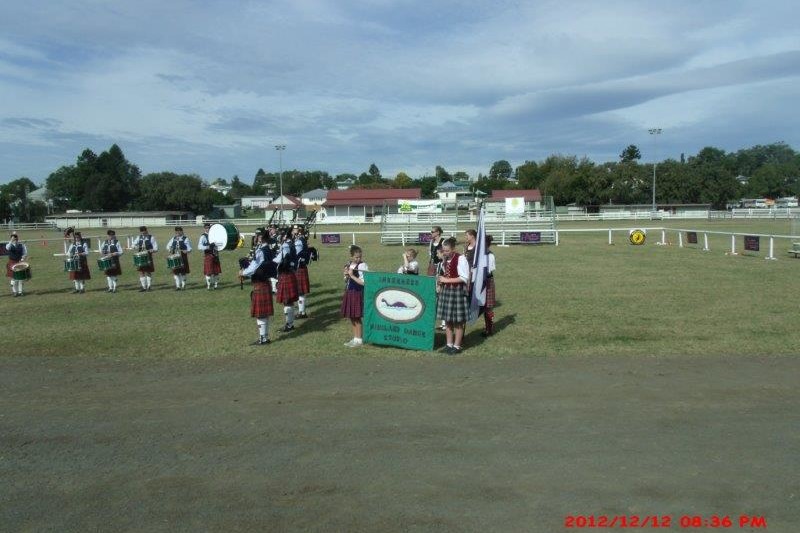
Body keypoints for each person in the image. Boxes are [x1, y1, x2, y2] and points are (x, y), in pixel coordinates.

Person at [240, 231, 276, 345]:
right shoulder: (268, 250)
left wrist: (243, 272)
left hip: (260, 283)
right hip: (265, 282)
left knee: (260, 314)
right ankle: (264, 337)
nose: (255, 238)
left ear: (261, 238)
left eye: (257, 236)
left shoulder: (261, 251)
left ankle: (263, 338)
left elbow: (254, 267)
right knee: (263, 313)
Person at [436, 237, 470, 354]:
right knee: (448, 319)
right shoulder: (445, 260)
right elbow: (445, 275)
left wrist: (446, 280)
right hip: (447, 291)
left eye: (447, 251)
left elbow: (464, 278)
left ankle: (457, 346)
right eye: (444, 251)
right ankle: (449, 344)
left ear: (453, 249)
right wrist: (441, 283)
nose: (445, 253)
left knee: (458, 321)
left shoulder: (461, 259)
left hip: (457, 292)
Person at [341, 245, 368, 348]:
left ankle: (359, 339)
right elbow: (346, 280)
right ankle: (355, 338)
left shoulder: (362, 266)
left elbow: (364, 283)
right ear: (351, 256)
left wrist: (352, 276)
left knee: (357, 317)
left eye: (360, 257)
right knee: (352, 316)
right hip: (350, 292)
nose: (358, 259)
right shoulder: (349, 264)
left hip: (357, 292)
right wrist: (346, 275)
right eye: (356, 257)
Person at [273, 228, 299, 332]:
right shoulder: (290, 244)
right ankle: (290, 324)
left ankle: (289, 324)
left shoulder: (285, 245)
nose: (279, 237)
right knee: (289, 301)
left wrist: (271, 261)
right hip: (290, 273)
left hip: (286, 274)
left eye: (281, 235)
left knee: (287, 301)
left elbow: (281, 259)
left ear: (284, 236)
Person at [292, 225, 312, 318]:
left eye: (294, 229)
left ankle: (302, 312)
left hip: (299, 267)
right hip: (301, 267)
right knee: (300, 291)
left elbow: (295, 254)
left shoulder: (299, 241)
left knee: (300, 291)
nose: (293, 231)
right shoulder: (301, 239)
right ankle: (302, 311)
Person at [131, 226, 158, 292]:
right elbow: (133, 245)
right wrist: (135, 246)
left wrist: (153, 250)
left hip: (148, 256)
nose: (143, 233)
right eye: (142, 232)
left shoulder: (151, 237)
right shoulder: (139, 237)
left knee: (148, 271)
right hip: (140, 256)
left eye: (144, 232)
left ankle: (149, 287)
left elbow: (156, 248)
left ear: (146, 231)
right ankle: (143, 287)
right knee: (141, 271)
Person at [166, 226, 192, 290]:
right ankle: (178, 286)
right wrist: (170, 249)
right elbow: (168, 246)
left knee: (183, 272)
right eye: (176, 231)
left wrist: (186, 250)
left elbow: (189, 248)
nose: (177, 232)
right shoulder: (173, 238)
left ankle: (183, 286)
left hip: (183, 257)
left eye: (179, 231)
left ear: (182, 231)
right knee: (176, 272)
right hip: (175, 257)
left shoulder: (185, 239)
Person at [197, 222, 221, 290]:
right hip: (208, 255)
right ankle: (208, 286)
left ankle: (216, 285)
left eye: (209, 228)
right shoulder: (203, 236)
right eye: (206, 228)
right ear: (204, 228)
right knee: (209, 272)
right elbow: (199, 246)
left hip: (216, 255)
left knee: (216, 271)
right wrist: (208, 247)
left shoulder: (215, 235)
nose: (208, 229)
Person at [482, 235, 497, 336]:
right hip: (481, 281)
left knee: (488, 306)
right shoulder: (480, 254)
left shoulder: (490, 255)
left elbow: (489, 271)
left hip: (487, 281)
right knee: (483, 306)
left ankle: (489, 328)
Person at [6, 232, 28, 297]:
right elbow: (7, 248)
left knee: (20, 278)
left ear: (17, 238)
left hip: (19, 262)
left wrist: (23, 258)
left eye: (15, 237)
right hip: (11, 262)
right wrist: (11, 241)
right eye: (13, 237)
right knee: (13, 279)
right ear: (11, 238)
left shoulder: (22, 245)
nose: (14, 238)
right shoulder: (9, 245)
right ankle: (14, 292)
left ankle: (20, 292)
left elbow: (25, 253)